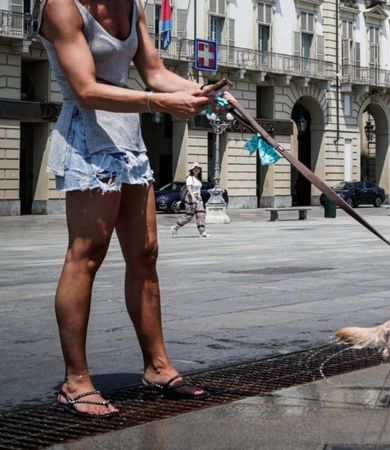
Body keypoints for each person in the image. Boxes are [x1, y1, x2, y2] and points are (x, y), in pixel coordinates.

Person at [37, 0, 211, 417]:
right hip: (87, 136)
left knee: (145, 253)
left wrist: (204, 92)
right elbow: (86, 89)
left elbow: (155, 72)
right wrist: (160, 104)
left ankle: (157, 367)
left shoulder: (133, 7)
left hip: (129, 139)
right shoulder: (62, 7)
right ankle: (75, 382)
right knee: (86, 254)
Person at [171, 163, 208, 238]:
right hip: (191, 198)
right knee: (189, 216)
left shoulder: (198, 178)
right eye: (195, 168)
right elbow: (189, 188)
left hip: (198, 198)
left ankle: (202, 232)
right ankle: (175, 227)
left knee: (201, 214)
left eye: (198, 168)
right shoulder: (190, 178)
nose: (196, 170)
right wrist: (193, 197)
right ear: (192, 170)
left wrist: (198, 198)